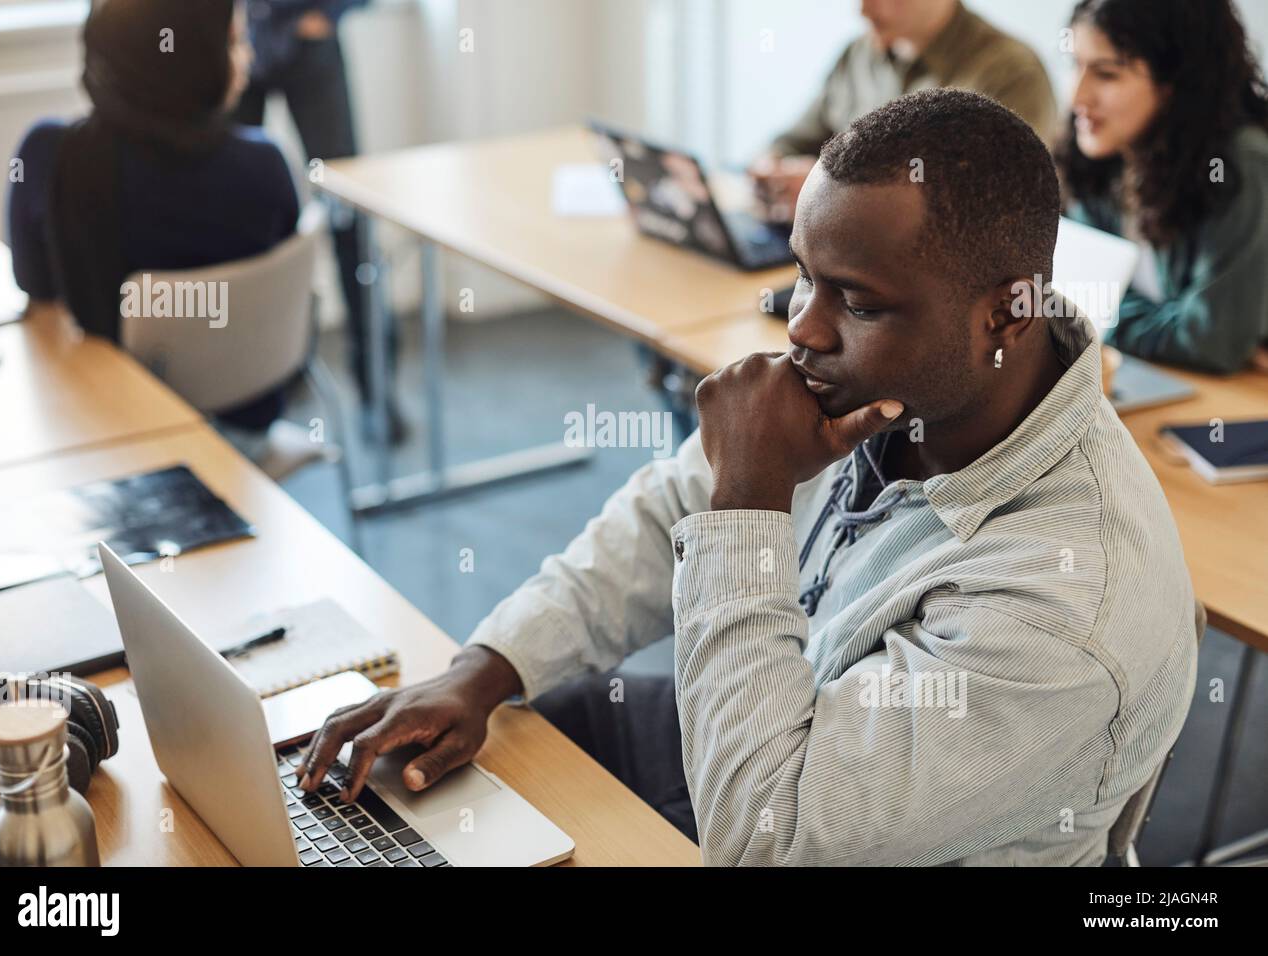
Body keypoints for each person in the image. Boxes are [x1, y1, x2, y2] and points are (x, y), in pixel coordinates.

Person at [297, 90, 1199, 866]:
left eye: (858, 301)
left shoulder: (1069, 603)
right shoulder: (899, 392)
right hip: (774, 728)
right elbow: (666, 515)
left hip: (808, 817)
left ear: (1006, 313)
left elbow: (770, 835)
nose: (804, 330)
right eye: (805, 278)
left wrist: (749, 503)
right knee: (488, 745)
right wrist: (482, 669)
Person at [7, 0, 322, 477]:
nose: (248, 56)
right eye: (234, 41)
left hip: (109, 445)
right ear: (193, 57)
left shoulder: (51, 155)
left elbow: (38, 296)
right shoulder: (266, 165)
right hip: (246, 433)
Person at [1058, 0, 1268, 374]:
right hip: (1152, 371)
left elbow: (1210, 339)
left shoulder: (1240, 165)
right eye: (1075, 65)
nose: (1077, 97)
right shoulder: (1101, 155)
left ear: (1175, 81)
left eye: (1106, 74)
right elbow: (1078, 295)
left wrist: (1102, 315)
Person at [235, 0, 406, 441]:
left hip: (307, 39)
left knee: (347, 210)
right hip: (231, 41)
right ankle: (260, 378)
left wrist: (329, 14)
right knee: (235, 213)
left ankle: (377, 386)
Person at [752, 0, 1057, 223]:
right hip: (833, 256)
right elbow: (794, 140)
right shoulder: (857, 55)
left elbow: (996, 205)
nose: (862, 9)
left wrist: (830, 191)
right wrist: (772, 169)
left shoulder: (1011, 74)